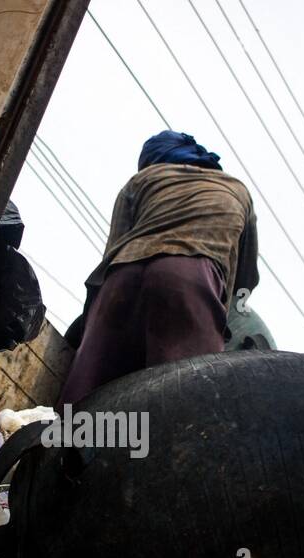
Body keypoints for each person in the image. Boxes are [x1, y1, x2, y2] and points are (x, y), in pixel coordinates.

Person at [58, 131, 259, 404]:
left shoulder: (142, 180)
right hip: (190, 280)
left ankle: (66, 444)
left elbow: (112, 252)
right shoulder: (238, 191)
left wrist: (91, 323)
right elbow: (246, 277)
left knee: (87, 397)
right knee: (181, 398)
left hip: (122, 278)